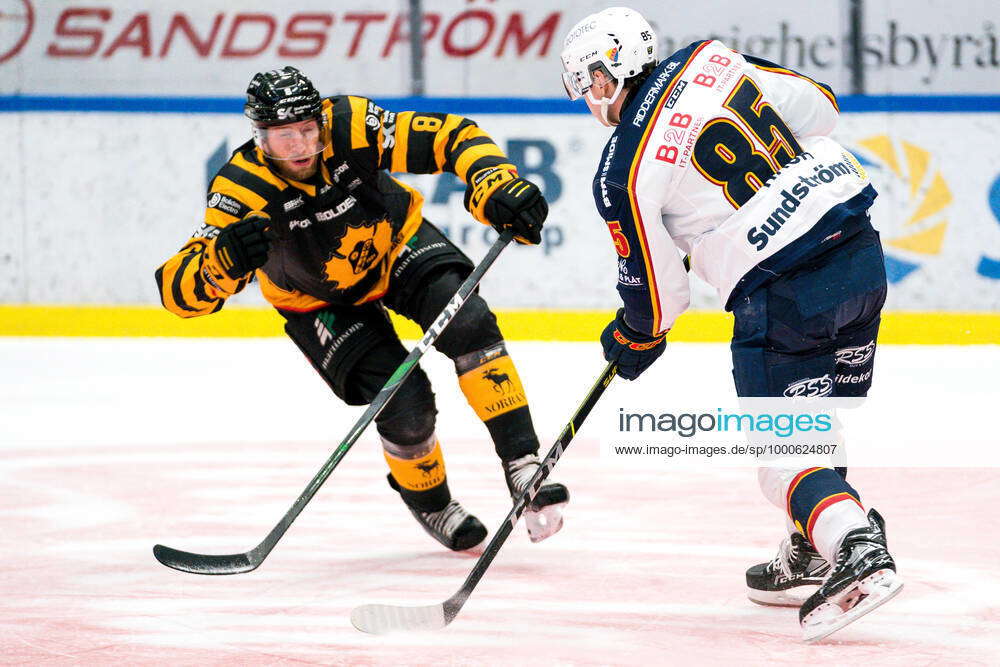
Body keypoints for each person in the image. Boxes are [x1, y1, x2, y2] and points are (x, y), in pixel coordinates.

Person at [560, 7, 902, 642]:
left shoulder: (622, 168)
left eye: (596, 81)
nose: (593, 98)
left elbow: (658, 295)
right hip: (858, 252)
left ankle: (855, 545)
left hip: (786, 289)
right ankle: (812, 543)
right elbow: (820, 107)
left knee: (782, 451)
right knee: (815, 423)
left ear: (622, 66)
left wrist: (635, 335)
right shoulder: (710, 59)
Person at [155, 66, 568, 552]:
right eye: (284, 137)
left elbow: (451, 136)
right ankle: (431, 502)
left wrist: (493, 183)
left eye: (308, 130)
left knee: (470, 324)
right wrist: (221, 264)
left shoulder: (350, 123)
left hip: (395, 247)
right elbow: (175, 291)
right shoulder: (241, 191)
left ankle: (523, 466)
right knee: (405, 401)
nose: (301, 147)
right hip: (317, 302)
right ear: (259, 136)